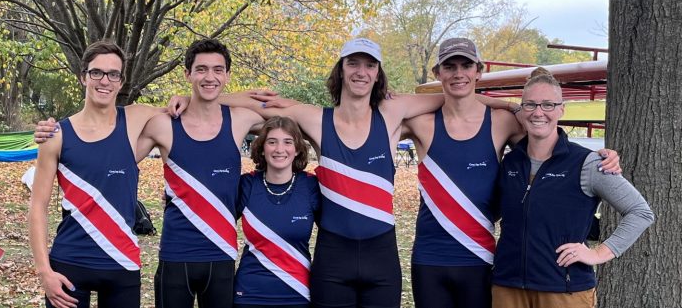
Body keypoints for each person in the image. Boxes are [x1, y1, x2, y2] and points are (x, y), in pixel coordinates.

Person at [169, 37, 513, 308]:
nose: (361, 71)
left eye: (369, 65)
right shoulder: (317, 119)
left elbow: (455, 96)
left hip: (381, 256)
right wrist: (192, 96)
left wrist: (508, 105)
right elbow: (264, 108)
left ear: (378, 73)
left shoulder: (392, 113)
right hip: (334, 257)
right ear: (342, 70)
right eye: (353, 63)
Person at [402, 38, 621, 308]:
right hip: (430, 257)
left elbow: (551, 148)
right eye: (450, 66)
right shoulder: (420, 124)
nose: (458, 73)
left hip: (479, 255)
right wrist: (504, 102)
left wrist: (598, 156)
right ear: (438, 73)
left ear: (478, 71)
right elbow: (389, 106)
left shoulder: (502, 122)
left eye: (466, 66)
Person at [491, 68, 654, 308]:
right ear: (521, 110)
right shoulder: (511, 162)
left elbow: (641, 212)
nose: (538, 112)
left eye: (548, 105)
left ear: (561, 109)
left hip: (564, 290)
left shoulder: (587, 163)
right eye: (530, 105)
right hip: (508, 286)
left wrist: (599, 253)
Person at [28, 41, 162, 308]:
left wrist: (226, 97)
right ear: (83, 77)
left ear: (121, 81)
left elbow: (195, 109)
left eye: (113, 74)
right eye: (96, 73)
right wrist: (45, 272)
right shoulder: (56, 135)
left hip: (122, 262)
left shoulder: (136, 119)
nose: (105, 81)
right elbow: (37, 206)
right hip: (70, 263)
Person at [138, 39, 264, 308]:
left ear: (228, 76)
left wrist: (199, 95)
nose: (210, 77)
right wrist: (58, 135)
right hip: (175, 256)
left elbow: (280, 107)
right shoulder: (163, 124)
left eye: (218, 70)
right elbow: (115, 152)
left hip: (221, 256)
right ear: (187, 74)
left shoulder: (240, 119)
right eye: (201, 70)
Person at [234, 116, 320, 308]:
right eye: (272, 142)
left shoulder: (310, 185)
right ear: (262, 149)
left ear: (297, 149)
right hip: (249, 293)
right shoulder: (247, 184)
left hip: (298, 291)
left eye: (288, 142)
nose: (279, 149)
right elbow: (216, 214)